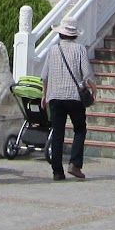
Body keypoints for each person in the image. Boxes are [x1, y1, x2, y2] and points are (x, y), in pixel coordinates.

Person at [42, 21, 94, 180]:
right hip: (74, 96)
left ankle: (57, 171)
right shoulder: (79, 49)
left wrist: (44, 95)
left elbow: (44, 76)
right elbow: (87, 75)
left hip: (55, 96)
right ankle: (75, 164)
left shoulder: (53, 50)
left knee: (58, 132)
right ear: (75, 34)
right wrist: (95, 90)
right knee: (79, 129)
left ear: (60, 34)